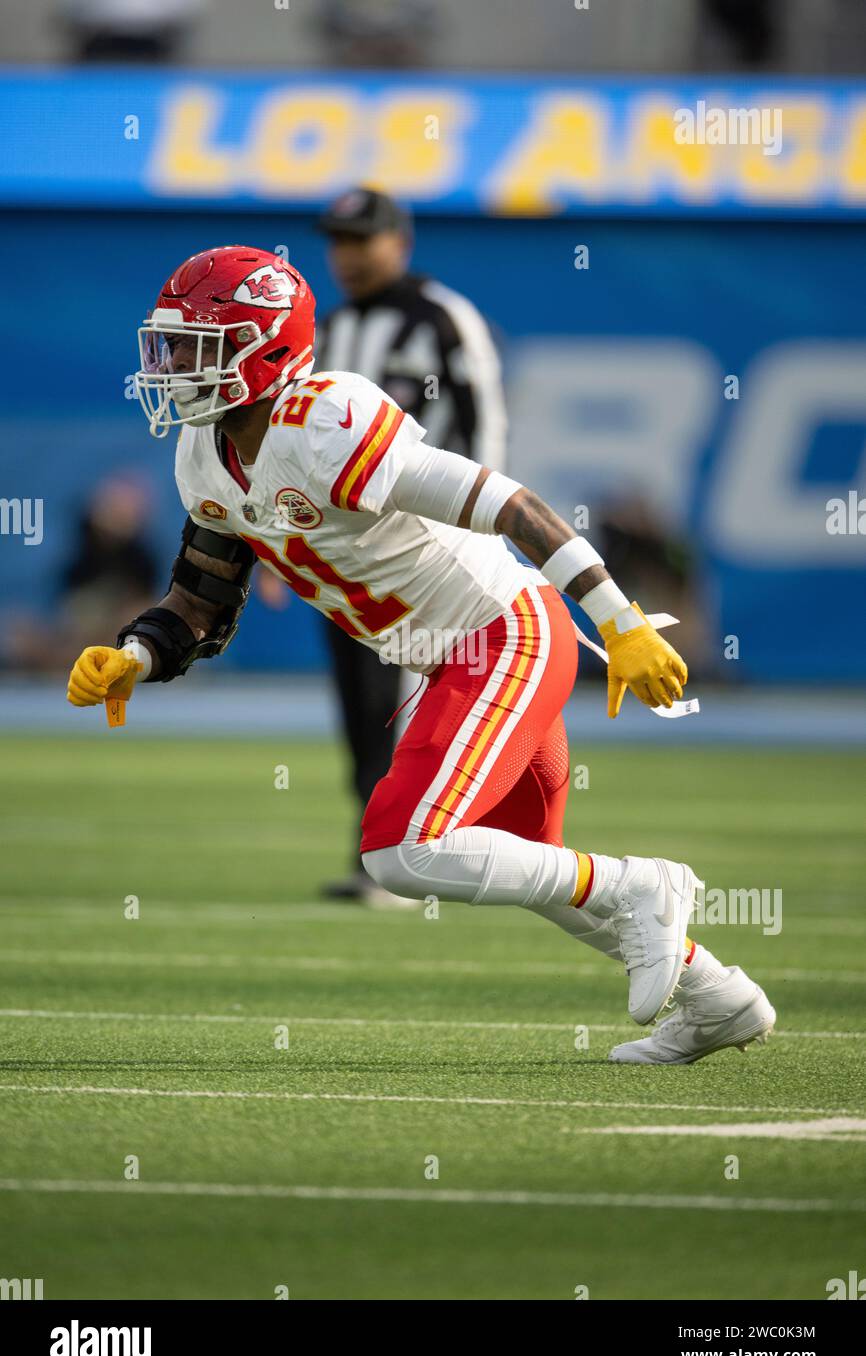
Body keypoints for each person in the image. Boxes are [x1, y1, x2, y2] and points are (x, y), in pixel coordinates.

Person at [67, 244, 775, 1064]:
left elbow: (510, 504)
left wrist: (619, 622)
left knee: (402, 847)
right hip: (447, 659)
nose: (176, 364)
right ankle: (717, 997)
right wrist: (136, 656)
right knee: (531, 868)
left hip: (502, 629)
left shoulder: (326, 421)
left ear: (262, 346)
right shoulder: (204, 454)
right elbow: (199, 600)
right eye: (172, 344)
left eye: (197, 346)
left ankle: (643, 885)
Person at [315, 187, 508, 903]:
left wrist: (484, 524)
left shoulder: (443, 318)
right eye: (337, 241)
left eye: (360, 239)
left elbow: (483, 425)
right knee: (359, 702)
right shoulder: (328, 329)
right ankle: (378, 851)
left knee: (404, 698)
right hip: (337, 549)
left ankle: (410, 857)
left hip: (420, 548)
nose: (347, 256)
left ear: (400, 240)